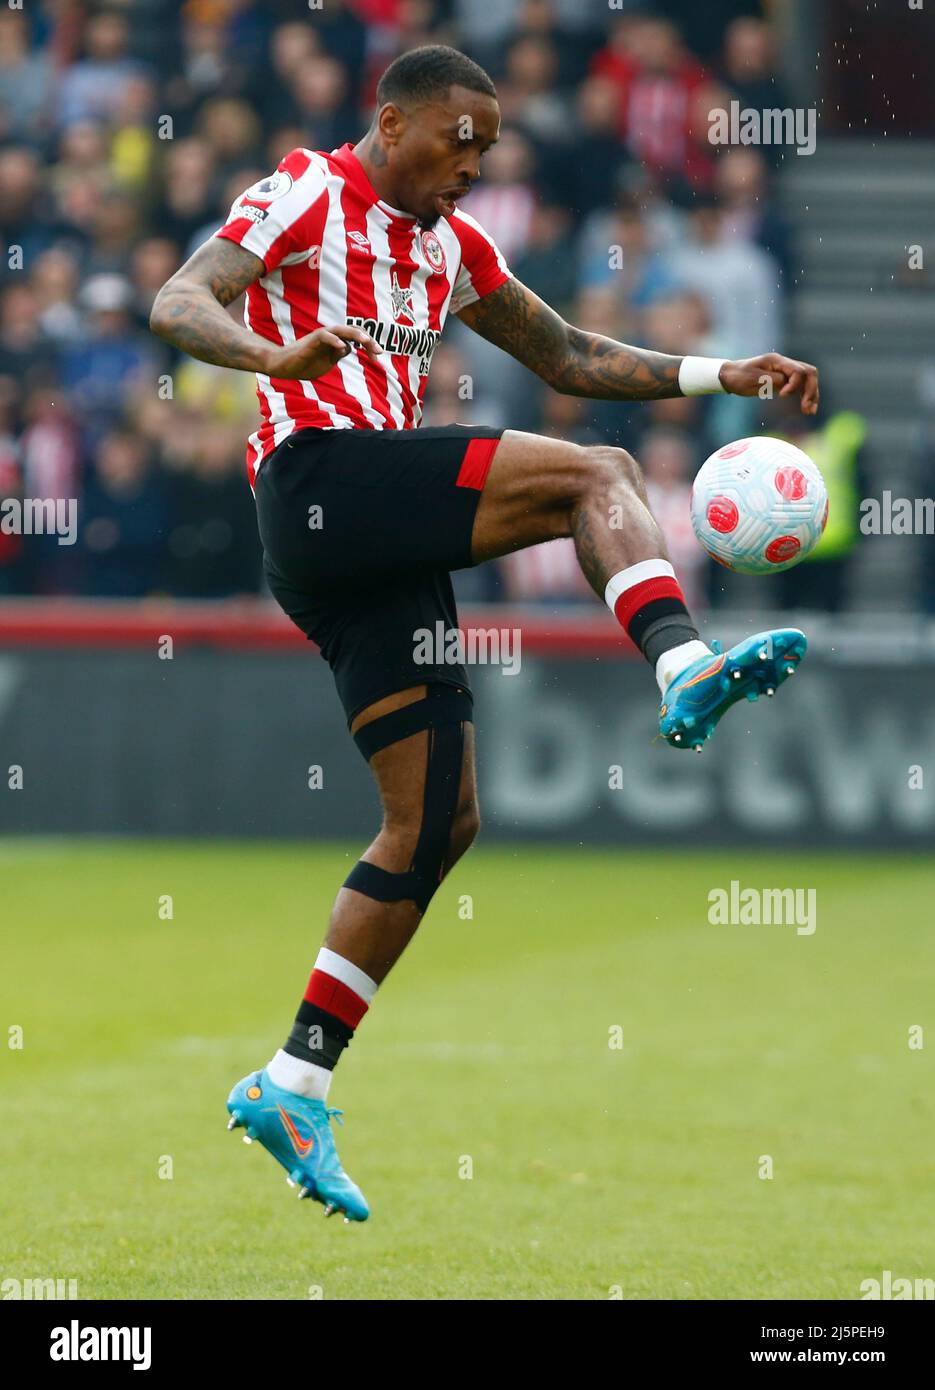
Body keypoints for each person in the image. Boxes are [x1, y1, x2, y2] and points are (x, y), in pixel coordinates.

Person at [150, 44, 819, 1223]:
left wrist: (724, 371)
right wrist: (270, 352)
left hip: (370, 551)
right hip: (317, 477)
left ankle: (293, 1078)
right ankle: (681, 662)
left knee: (436, 817)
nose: (472, 166)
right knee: (594, 474)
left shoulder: (451, 250)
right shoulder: (308, 187)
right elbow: (180, 297)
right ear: (391, 118)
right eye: (456, 141)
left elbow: (566, 355)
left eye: (488, 150)